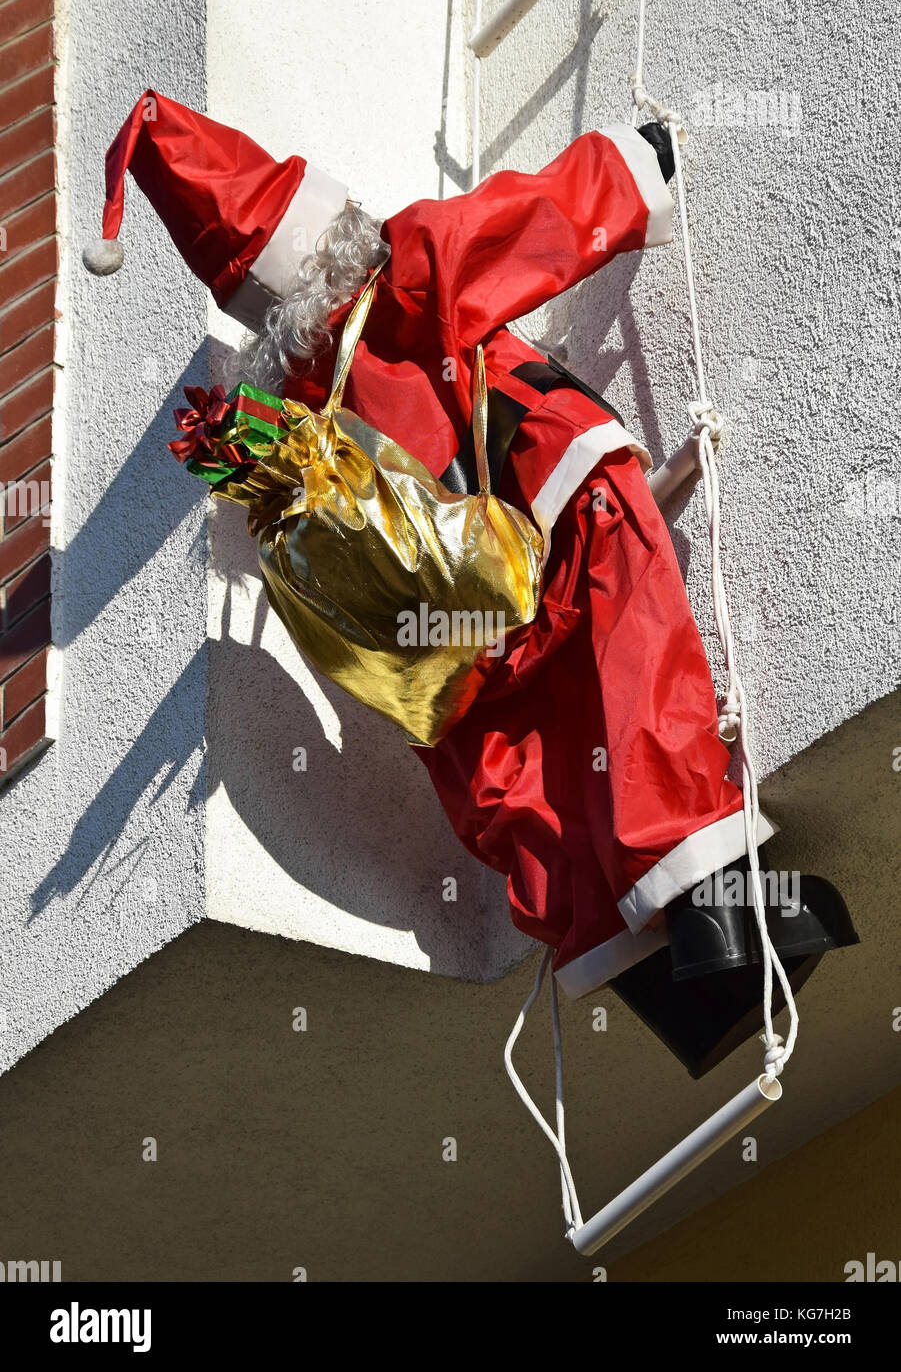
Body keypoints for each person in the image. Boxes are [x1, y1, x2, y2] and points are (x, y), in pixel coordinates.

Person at [84, 90, 856, 1077]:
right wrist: (633, 168)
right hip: (554, 509)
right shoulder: (390, 275)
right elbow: (519, 227)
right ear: (324, 234)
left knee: (527, 788)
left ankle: (652, 977)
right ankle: (721, 911)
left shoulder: (289, 428)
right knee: (634, 686)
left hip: (459, 649)